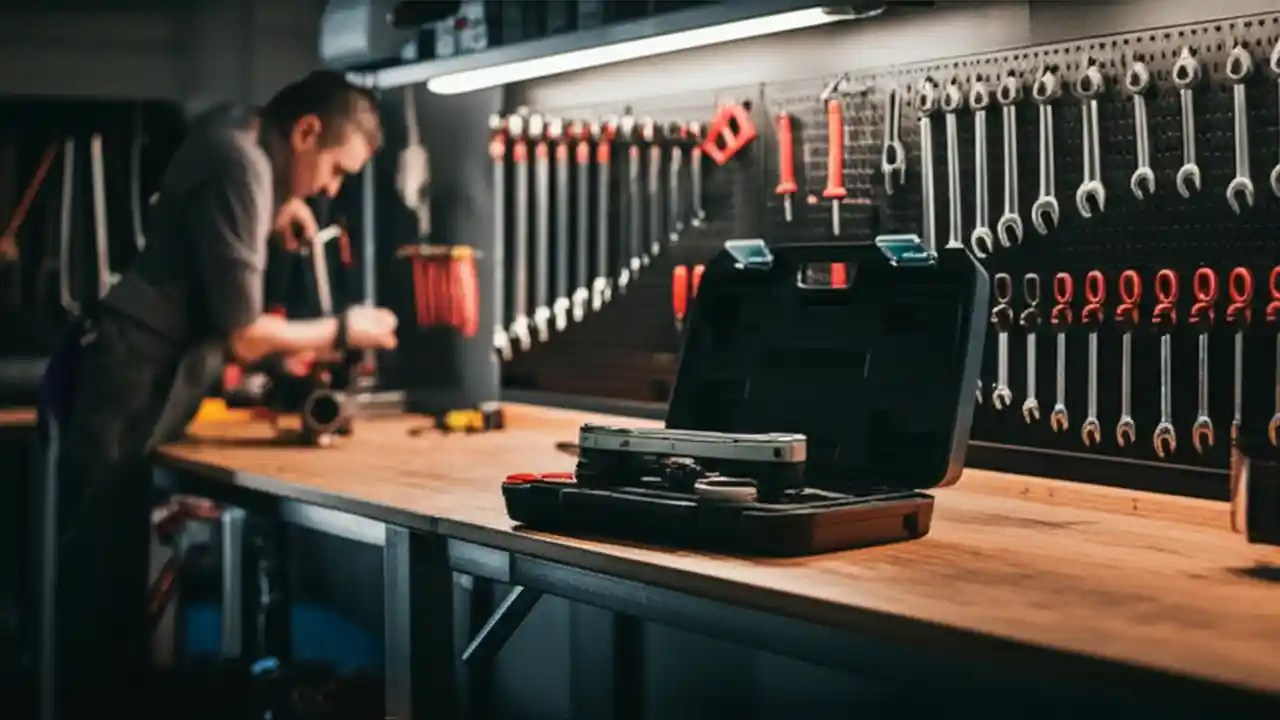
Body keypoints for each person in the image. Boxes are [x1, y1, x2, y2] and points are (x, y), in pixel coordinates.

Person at [35, 70, 399, 717]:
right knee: (93, 600)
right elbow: (245, 334)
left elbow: (205, 194)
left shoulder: (235, 127)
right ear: (307, 132)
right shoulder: (244, 165)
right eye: (335, 172)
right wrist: (349, 327)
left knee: (102, 593)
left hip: (119, 365)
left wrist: (276, 207)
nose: (328, 192)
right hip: (123, 376)